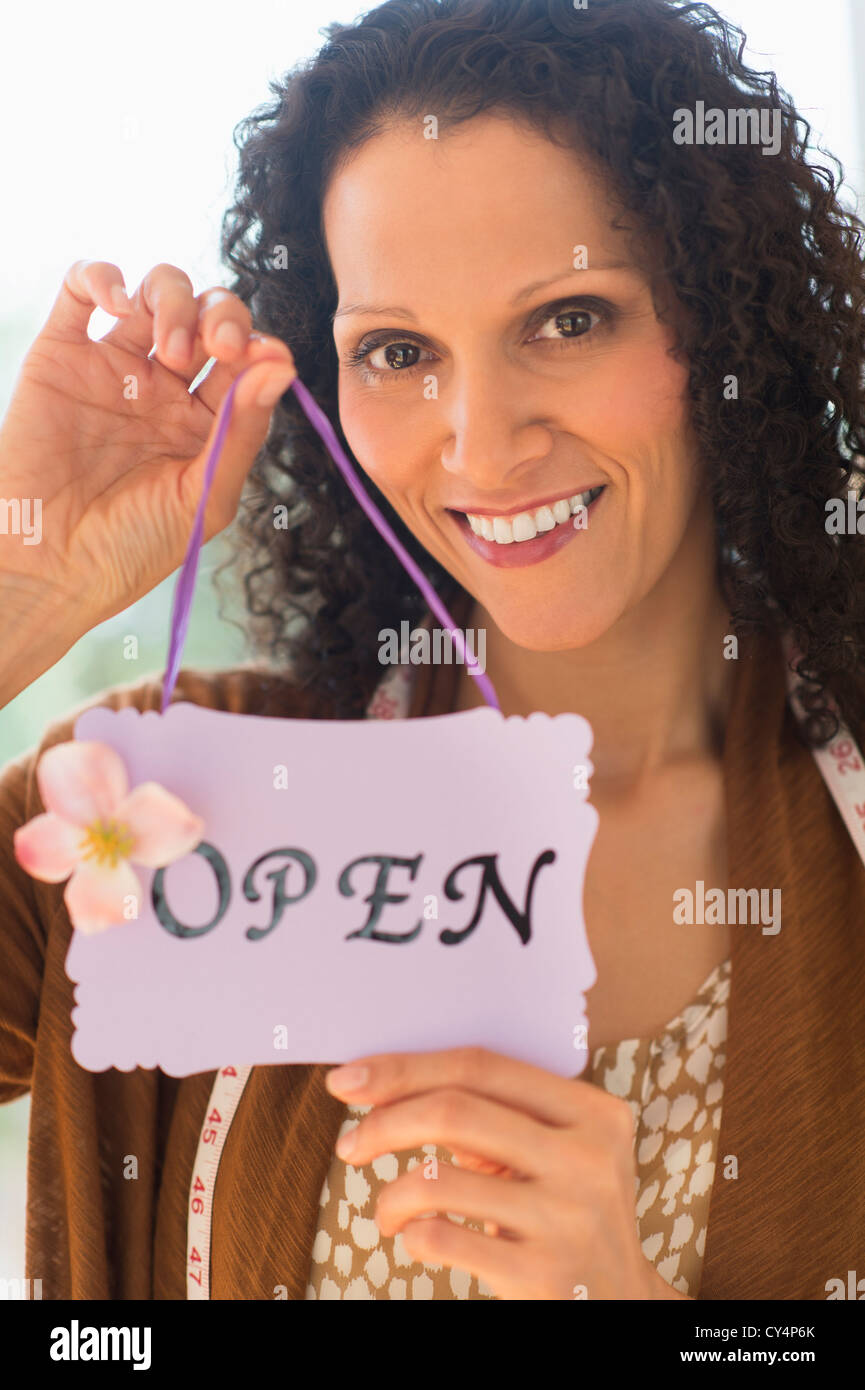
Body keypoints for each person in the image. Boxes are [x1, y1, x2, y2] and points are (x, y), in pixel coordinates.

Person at [1, 0, 864, 1301]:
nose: (477, 441)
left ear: (728, 323)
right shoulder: (155, 817)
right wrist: (25, 586)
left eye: (567, 318)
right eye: (397, 351)